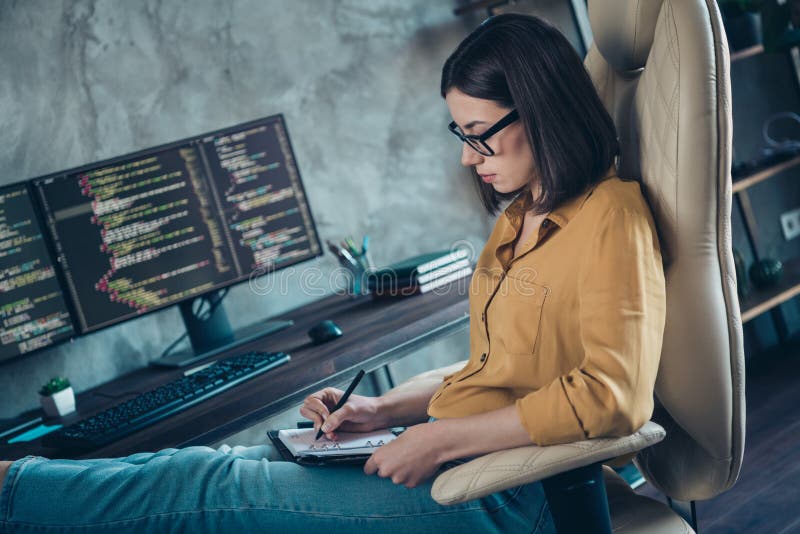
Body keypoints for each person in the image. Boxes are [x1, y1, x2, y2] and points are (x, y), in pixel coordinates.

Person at [0, 13, 665, 533]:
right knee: (210, 466)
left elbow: (613, 396)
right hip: (471, 462)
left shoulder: (612, 216)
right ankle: (18, 486)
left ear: (540, 110)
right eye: (460, 135)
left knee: (209, 494)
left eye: (479, 133)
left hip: (518, 498)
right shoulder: (518, 219)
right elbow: (491, 372)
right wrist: (382, 408)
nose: (469, 159)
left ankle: (10, 491)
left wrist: (438, 441)